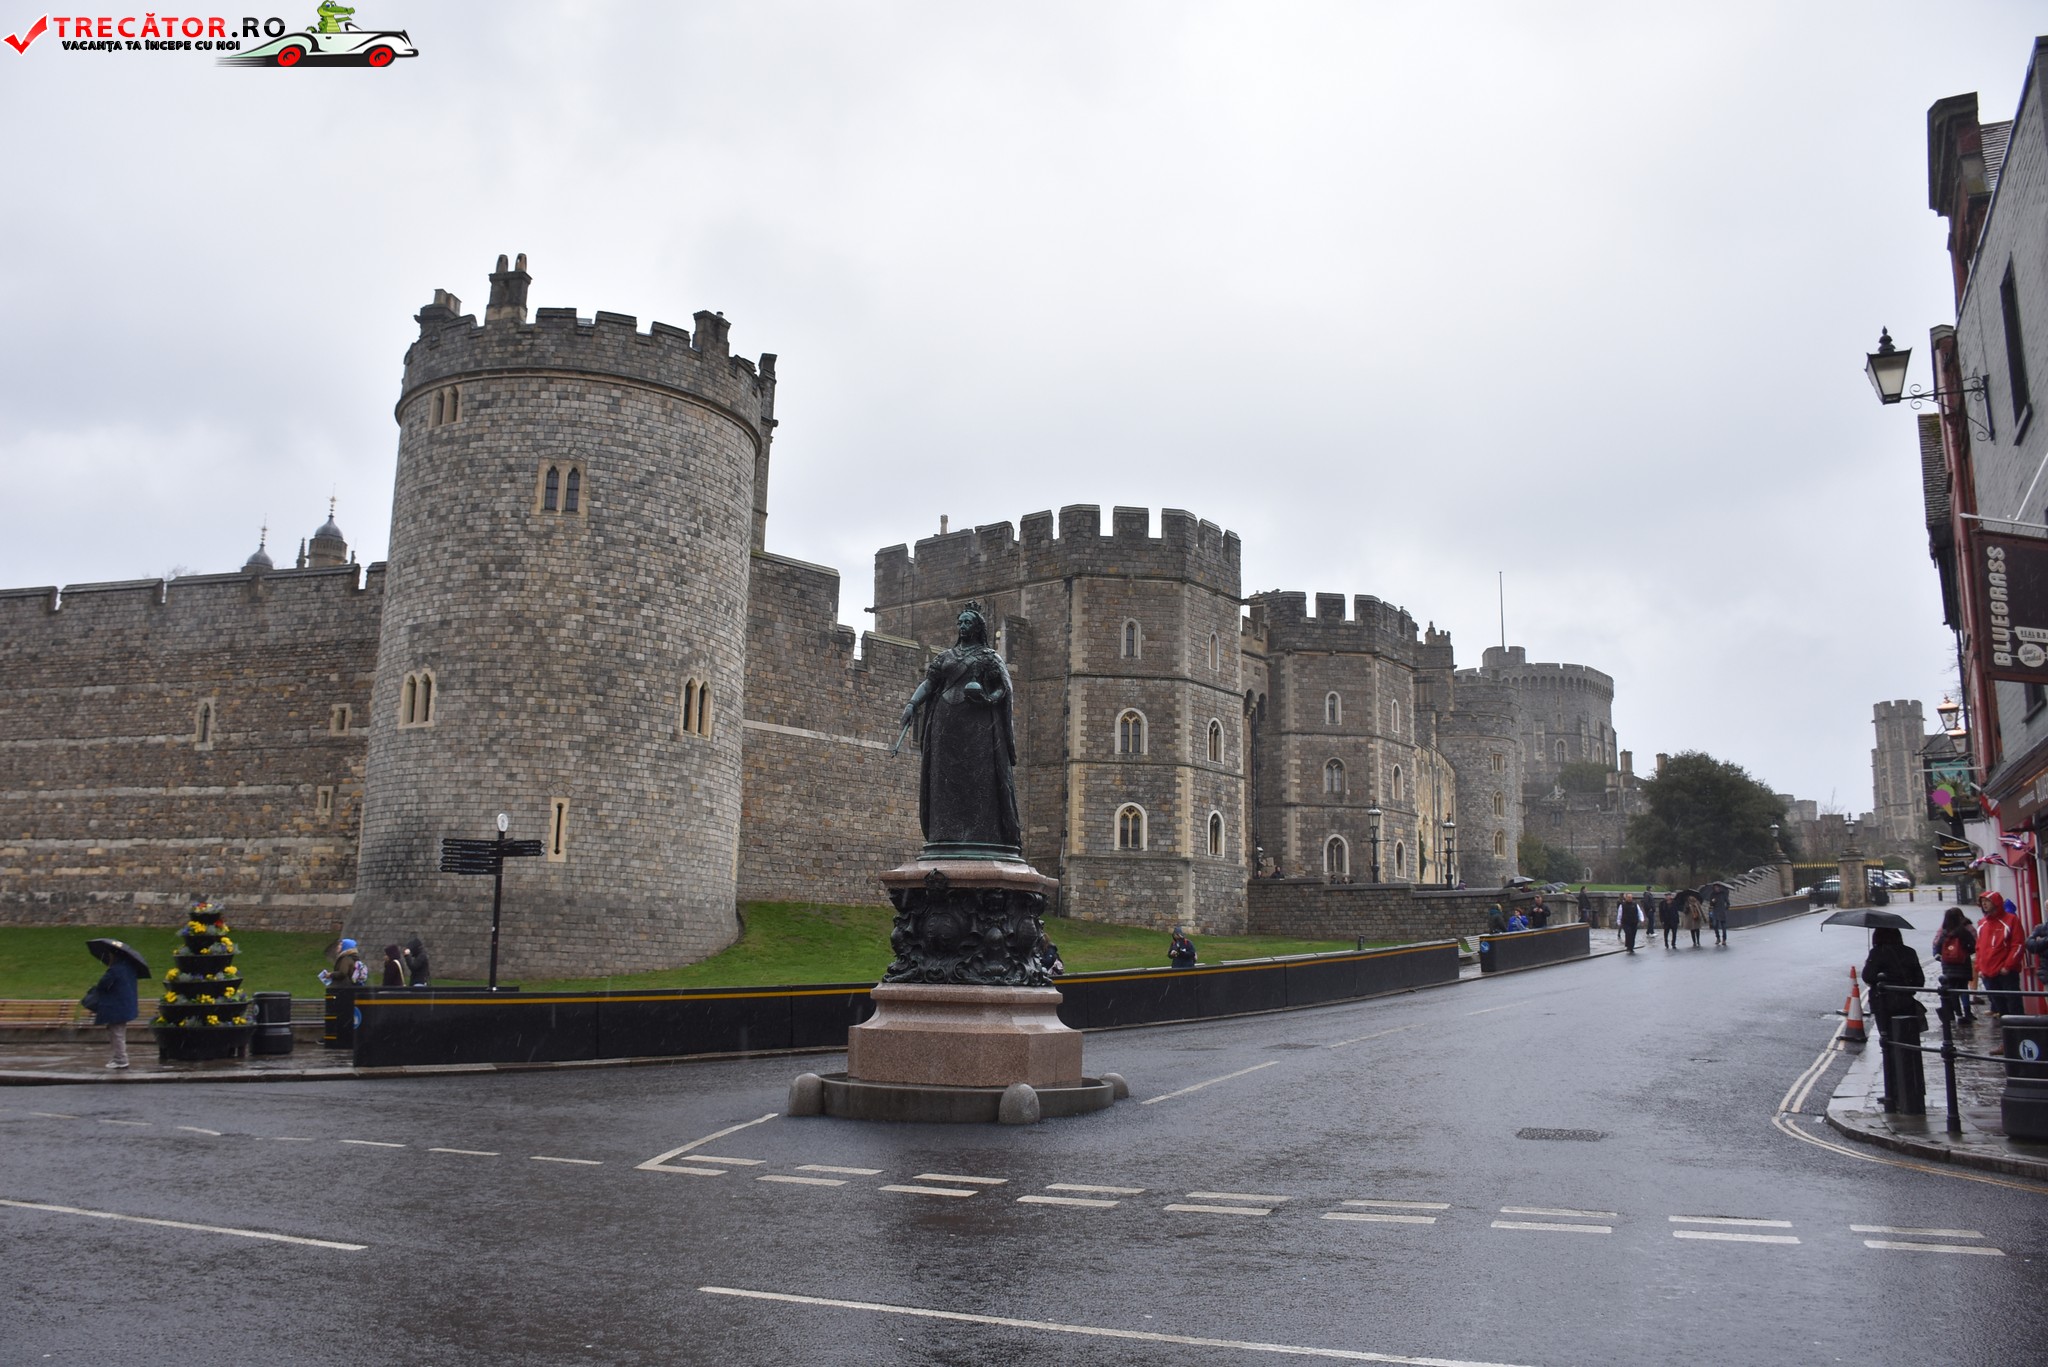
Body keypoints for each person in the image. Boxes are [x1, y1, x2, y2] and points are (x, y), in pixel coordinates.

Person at [893, 601, 1021, 854]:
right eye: (960, 622)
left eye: (968, 623)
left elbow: (1003, 689)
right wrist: (912, 704)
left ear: (977, 627)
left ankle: (982, 833)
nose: (963, 626)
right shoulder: (946, 657)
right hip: (945, 722)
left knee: (978, 778)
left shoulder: (988, 657)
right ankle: (945, 832)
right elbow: (929, 684)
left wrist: (987, 699)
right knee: (944, 778)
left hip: (978, 726)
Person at [1863, 926, 1927, 1114]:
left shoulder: (1877, 952)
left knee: (1888, 1047)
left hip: (1884, 1005)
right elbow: (1919, 982)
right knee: (1908, 1049)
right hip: (1906, 1004)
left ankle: (1892, 1094)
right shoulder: (1909, 952)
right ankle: (1910, 1091)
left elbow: (1867, 977)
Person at [1975, 893, 2025, 1046]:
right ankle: (2008, 1043)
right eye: (1982, 901)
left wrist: (2007, 966)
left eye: (1987, 901)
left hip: (2005, 973)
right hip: (1989, 974)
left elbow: (2018, 945)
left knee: (2014, 1008)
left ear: (1996, 902)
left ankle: (2020, 1041)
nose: (1984, 904)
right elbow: (1979, 948)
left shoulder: (2011, 920)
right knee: (2001, 1010)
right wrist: (1980, 968)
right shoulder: (1982, 923)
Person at [85, 944, 142, 1070]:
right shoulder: (129, 968)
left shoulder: (115, 969)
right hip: (125, 1005)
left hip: (116, 1007)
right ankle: (119, 1057)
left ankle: (121, 1059)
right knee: (119, 1032)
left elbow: (102, 985)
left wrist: (109, 971)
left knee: (116, 1033)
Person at [1931, 907, 1977, 1027]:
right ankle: (1967, 1012)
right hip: (1962, 964)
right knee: (1963, 989)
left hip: (1948, 966)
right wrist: (1965, 952)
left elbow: (1938, 946)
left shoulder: (1945, 933)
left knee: (1952, 991)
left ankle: (1958, 1014)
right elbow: (1973, 946)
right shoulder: (1963, 932)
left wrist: (1939, 956)